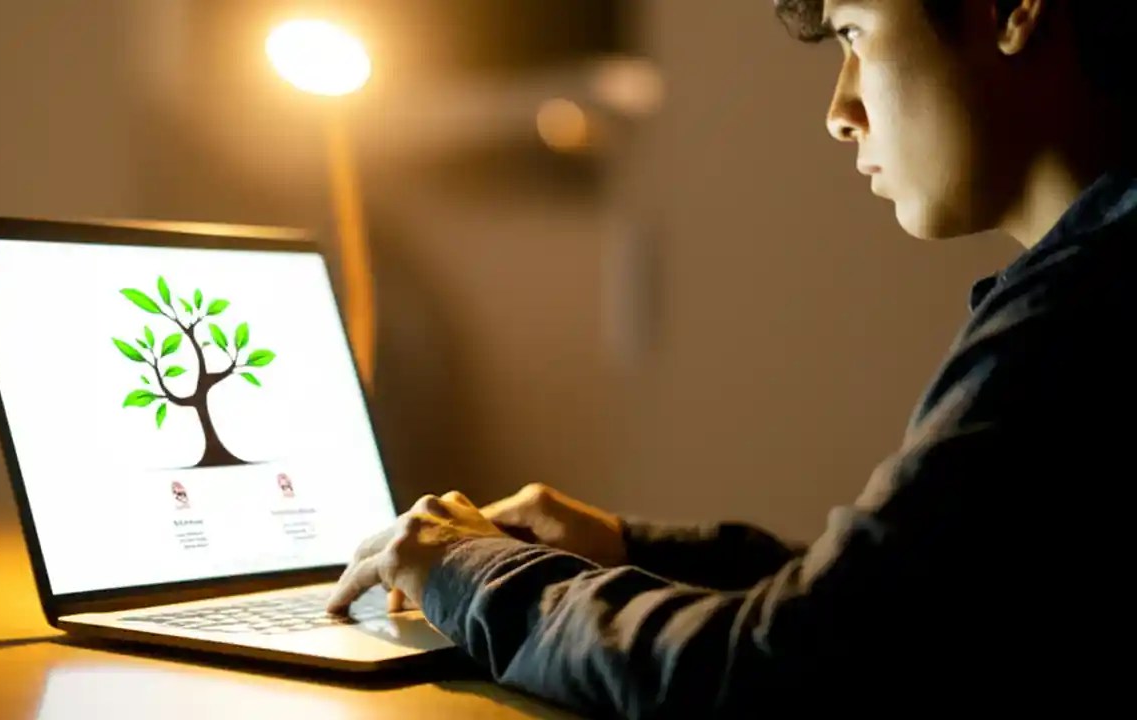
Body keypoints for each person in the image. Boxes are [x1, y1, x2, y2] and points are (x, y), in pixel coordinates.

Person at [327, 1, 1136, 716]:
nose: (839, 109)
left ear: (1013, 9)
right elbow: (911, 606)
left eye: (855, 31)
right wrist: (632, 547)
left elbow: (777, 669)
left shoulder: (1079, 311)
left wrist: (475, 572)